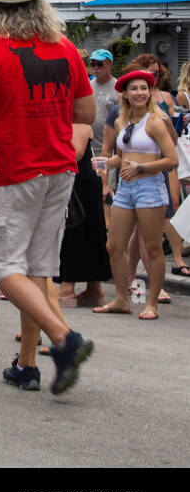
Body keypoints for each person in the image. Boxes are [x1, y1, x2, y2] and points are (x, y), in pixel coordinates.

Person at [0, 0, 96, 395]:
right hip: (59, 171)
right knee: (37, 269)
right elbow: (87, 114)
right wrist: (65, 145)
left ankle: (64, 339)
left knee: (1, 266)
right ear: (38, 5)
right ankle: (27, 363)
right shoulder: (65, 48)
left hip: (14, 168)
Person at [93, 70, 178, 320]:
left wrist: (141, 168)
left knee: (152, 248)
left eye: (144, 88)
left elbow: (171, 160)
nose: (139, 93)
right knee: (114, 245)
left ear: (150, 92)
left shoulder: (155, 121)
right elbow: (122, 157)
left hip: (150, 188)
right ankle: (122, 299)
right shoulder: (122, 121)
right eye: (134, 89)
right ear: (125, 94)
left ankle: (151, 303)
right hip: (126, 189)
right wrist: (105, 163)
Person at [57, 121, 110, 307]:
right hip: (75, 178)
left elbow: (76, 152)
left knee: (76, 230)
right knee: (86, 231)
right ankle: (93, 286)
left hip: (80, 181)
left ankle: (68, 286)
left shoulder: (78, 122)